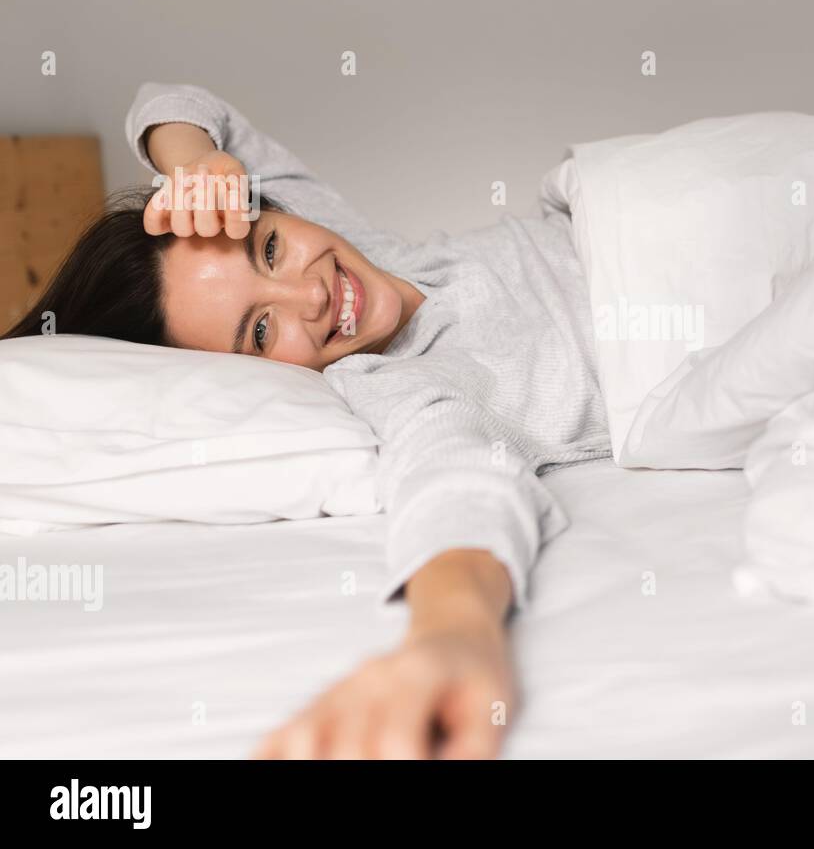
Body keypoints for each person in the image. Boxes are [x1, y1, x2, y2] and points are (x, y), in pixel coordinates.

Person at [2, 83, 612, 758]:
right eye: (261, 332)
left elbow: (168, 99)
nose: (311, 293)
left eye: (268, 251)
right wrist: (454, 633)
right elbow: (456, 484)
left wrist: (194, 168)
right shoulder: (395, 384)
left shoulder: (353, 244)